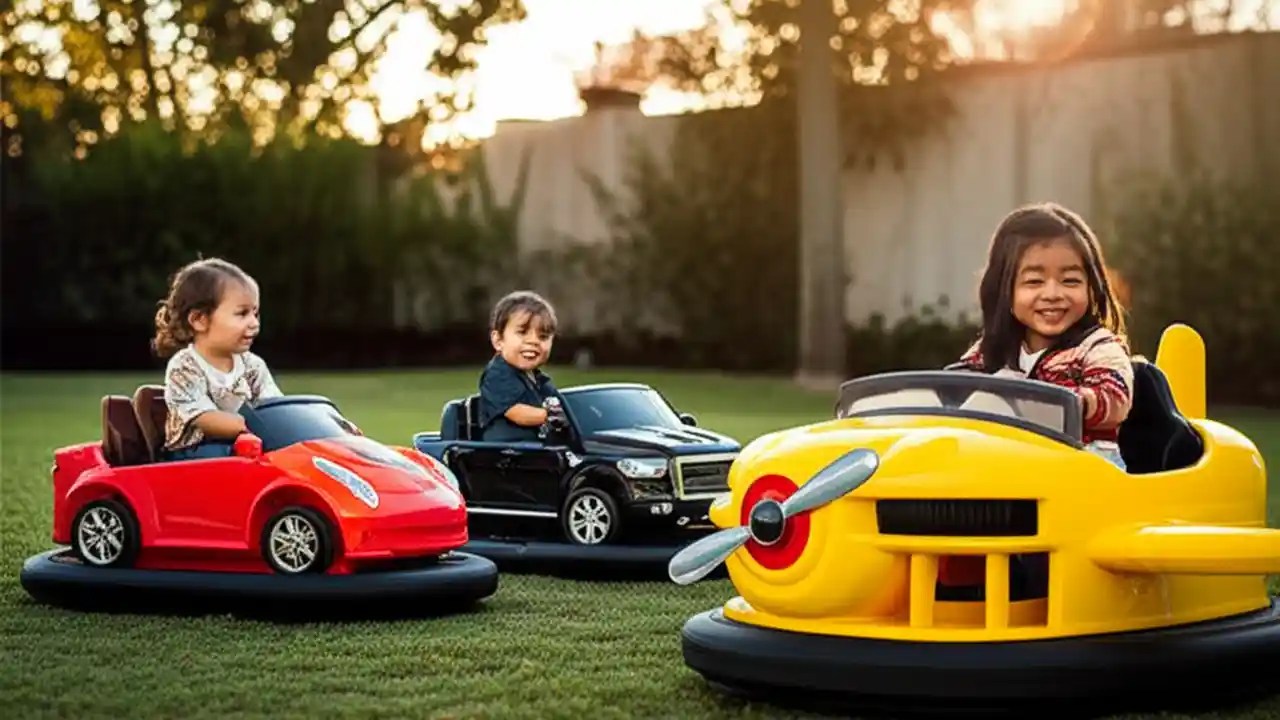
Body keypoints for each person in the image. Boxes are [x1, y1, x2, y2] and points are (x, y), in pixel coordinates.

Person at [952, 202, 1134, 469]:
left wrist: (1058, 402)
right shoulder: (994, 349)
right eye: (1034, 282)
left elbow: (1114, 398)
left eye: (1070, 281)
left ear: (1091, 286)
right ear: (1004, 289)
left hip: (1087, 467)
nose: (1052, 294)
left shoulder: (1097, 347)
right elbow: (957, 387)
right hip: (1012, 463)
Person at [152, 258, 282, 460]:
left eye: (255, 313)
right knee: (228, 457)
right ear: (199, 320)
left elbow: (274, 408)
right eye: (242, 314)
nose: (254, 323)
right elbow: (204, 418)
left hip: (247, 443)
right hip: (196, 452)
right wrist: (252, 427)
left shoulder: (253, 366)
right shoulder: (184, 367)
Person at [478, 291, 565, 442]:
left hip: (536, 451)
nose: (533, 341)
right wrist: (554, 416)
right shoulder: (498, 374)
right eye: (522, 332)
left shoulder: (540, 381)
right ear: (498, 341)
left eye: (543, 337)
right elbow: (517, 412)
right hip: (507, 454)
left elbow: (561, 403)